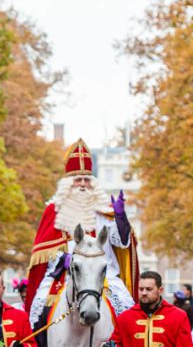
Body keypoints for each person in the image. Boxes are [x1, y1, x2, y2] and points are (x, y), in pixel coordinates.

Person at [24, 138, 138, 322]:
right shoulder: (54, 210)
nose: (83, 184)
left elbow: (121, 242)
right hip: (64, 273)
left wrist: (121, 218)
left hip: (103, 272)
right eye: (78, 180)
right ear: (68, 183)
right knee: (39, 304)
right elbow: (43, 254)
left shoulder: (104, 209)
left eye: (87, 179)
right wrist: (63, 259)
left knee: (126, 306)